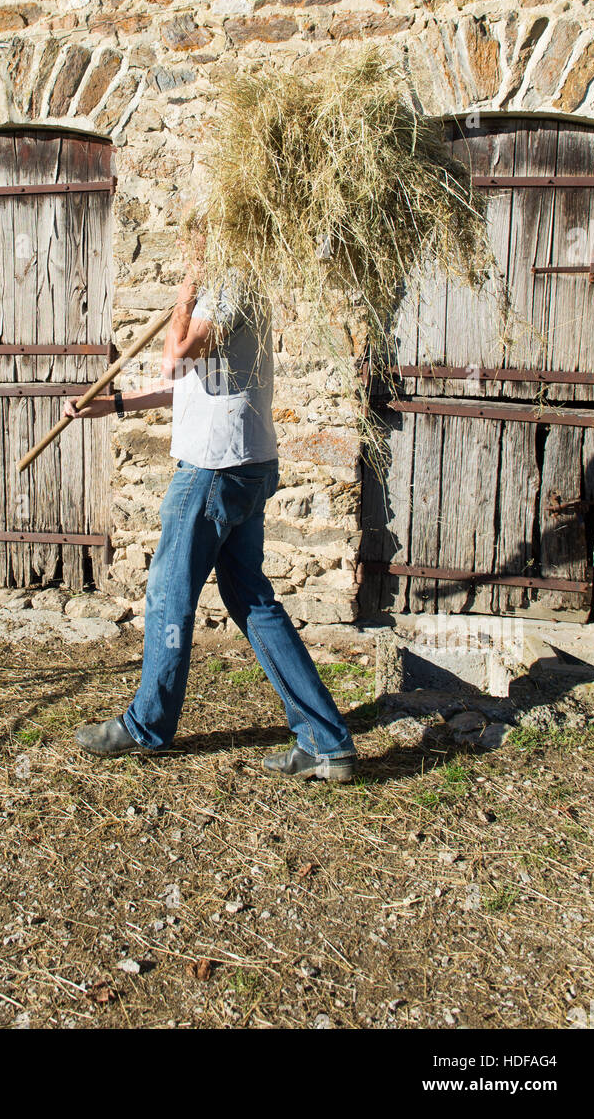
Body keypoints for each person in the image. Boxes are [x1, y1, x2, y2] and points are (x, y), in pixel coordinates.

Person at [63, 222, 356, 782]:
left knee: (168, 596)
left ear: (211, 237)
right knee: (251, 599)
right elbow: (187, 382)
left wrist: (188, 285)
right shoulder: (233, 290)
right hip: (241, 464)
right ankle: (326, 742)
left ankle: (147, 724)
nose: (183, 250)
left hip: (213, 471)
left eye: (191, 241)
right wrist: (117, 404)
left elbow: (177, 355)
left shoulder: (228, 284)